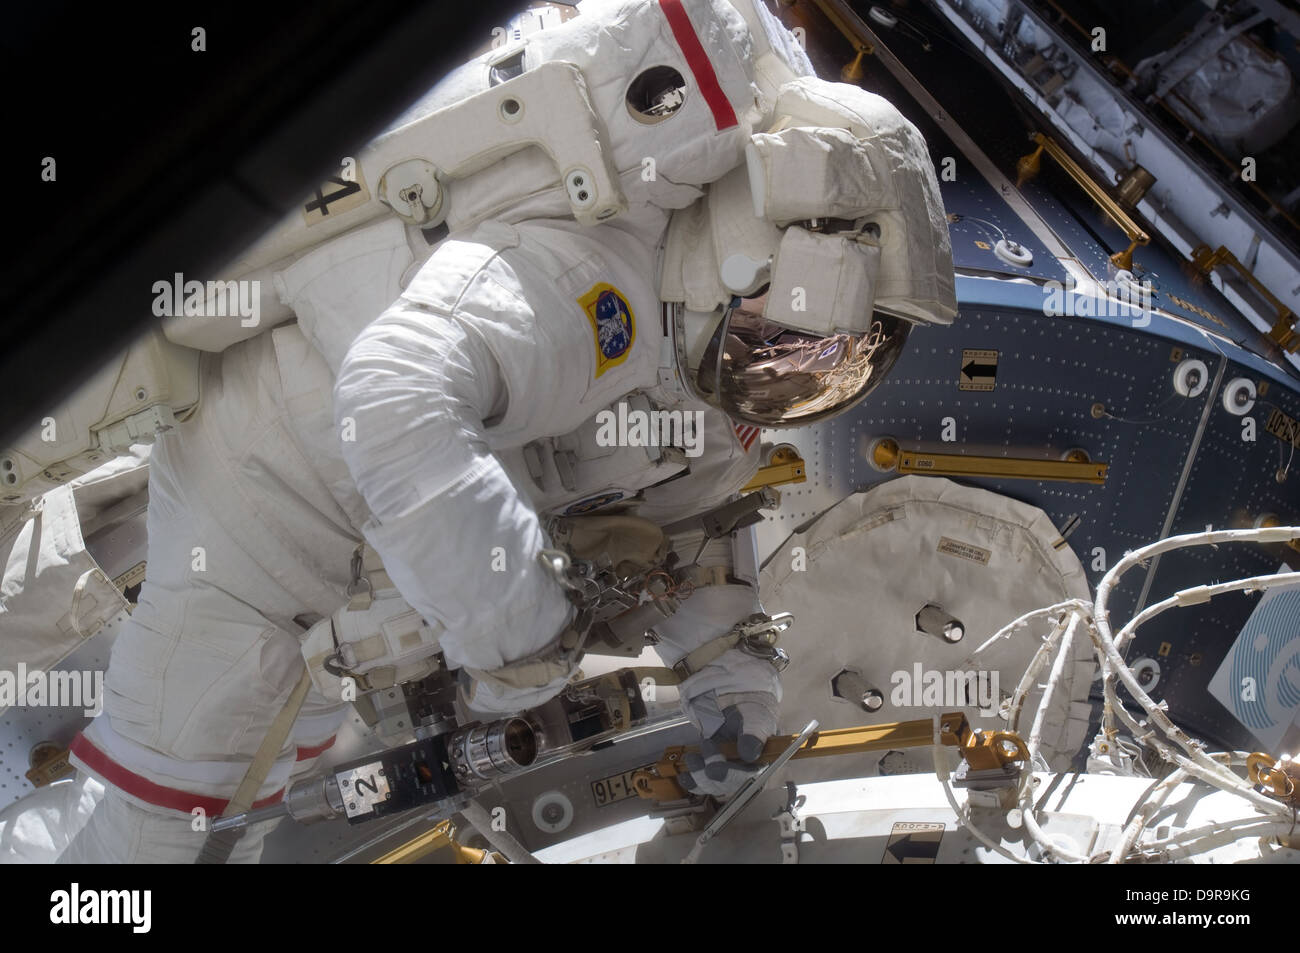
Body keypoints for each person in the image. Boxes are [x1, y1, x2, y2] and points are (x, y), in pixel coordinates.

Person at [9, 0, 956, 862]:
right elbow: (395, 392)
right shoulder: (590, 286)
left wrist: (735, 700)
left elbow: (701, 513)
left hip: (354, 580)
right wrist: (522, 637)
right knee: (149, 830)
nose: (778, 369)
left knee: (252, 796)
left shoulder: (697, 346)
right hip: (264, 512)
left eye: (819, 365)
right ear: (743, 250)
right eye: (773, 338)